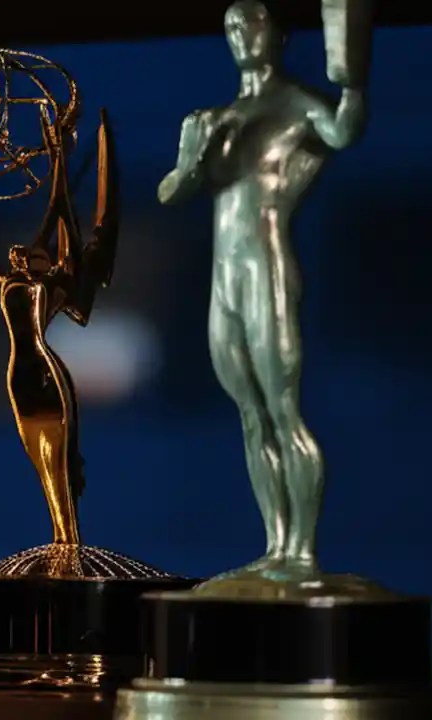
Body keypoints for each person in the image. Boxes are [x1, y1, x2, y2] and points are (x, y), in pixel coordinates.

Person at [158, 0, 366, 580]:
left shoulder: (296, 105)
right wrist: (198, 156)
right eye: (231, 26)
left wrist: (350, 73)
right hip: (225, 276)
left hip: (267, 267)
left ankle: (302, 551)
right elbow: (171, 191)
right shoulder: (214, 117)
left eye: (252, 23)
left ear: (277, 33)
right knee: (250, 413)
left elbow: (344, 130)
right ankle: (277, 545)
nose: (243, 35)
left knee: (283, 408)